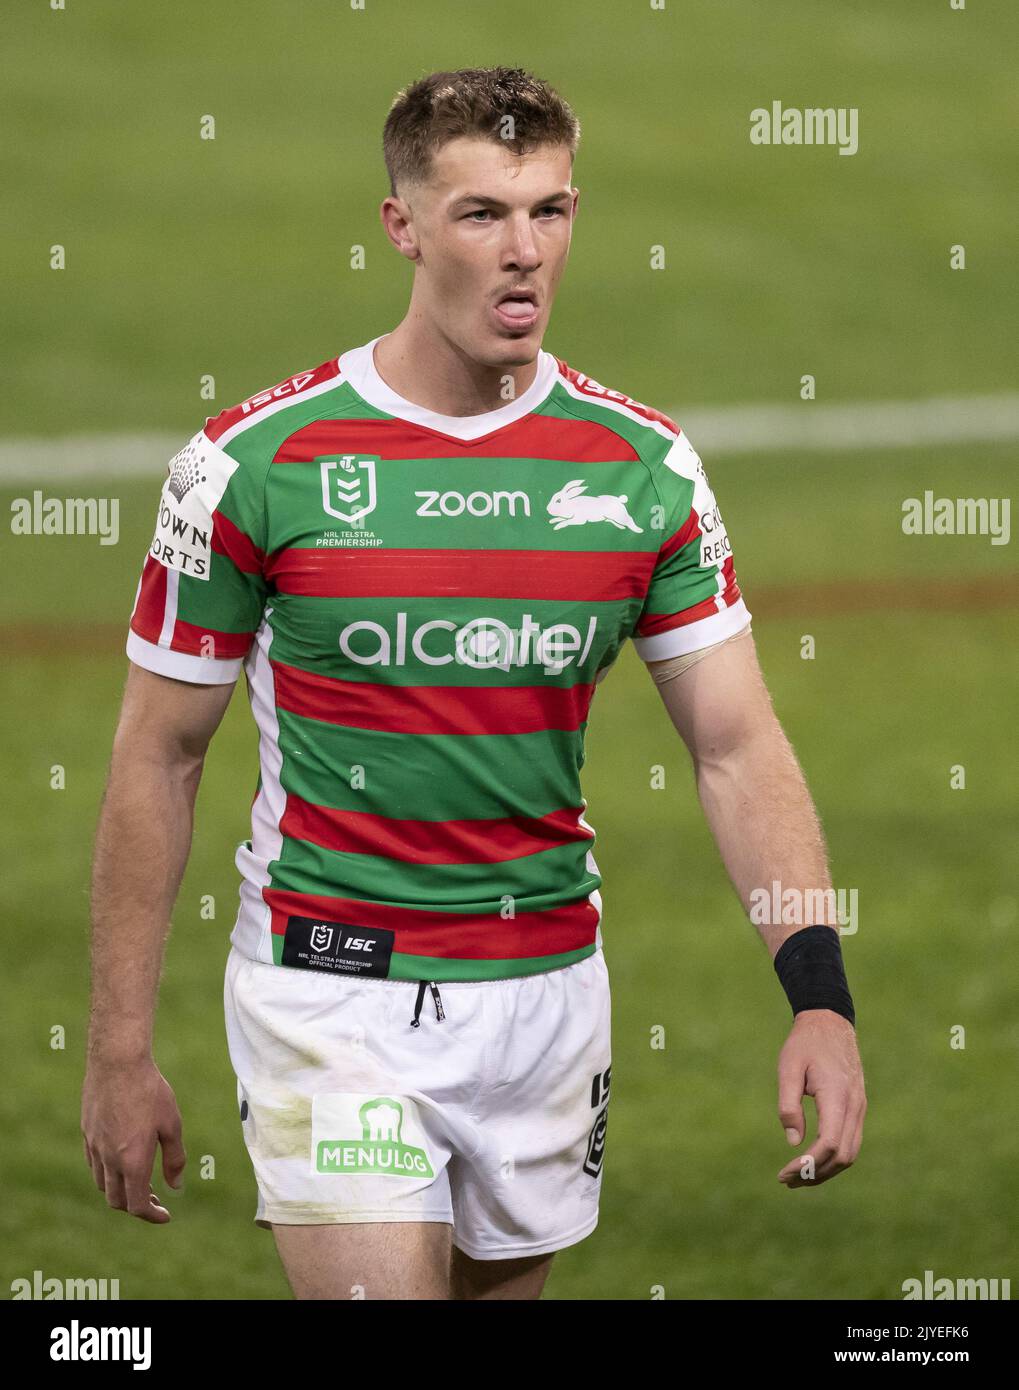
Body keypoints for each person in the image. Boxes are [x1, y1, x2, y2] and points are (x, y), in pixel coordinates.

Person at [82, 65, 866, 1301]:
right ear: (400, 226)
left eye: (549, 211)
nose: (523, 254)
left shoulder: (640, 469)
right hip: (329, 991)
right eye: (480, 214)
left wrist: (819, 995)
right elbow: (159, 754)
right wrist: (118, 1048)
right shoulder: (253, 465)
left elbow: (735, 743)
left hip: (547, 992)